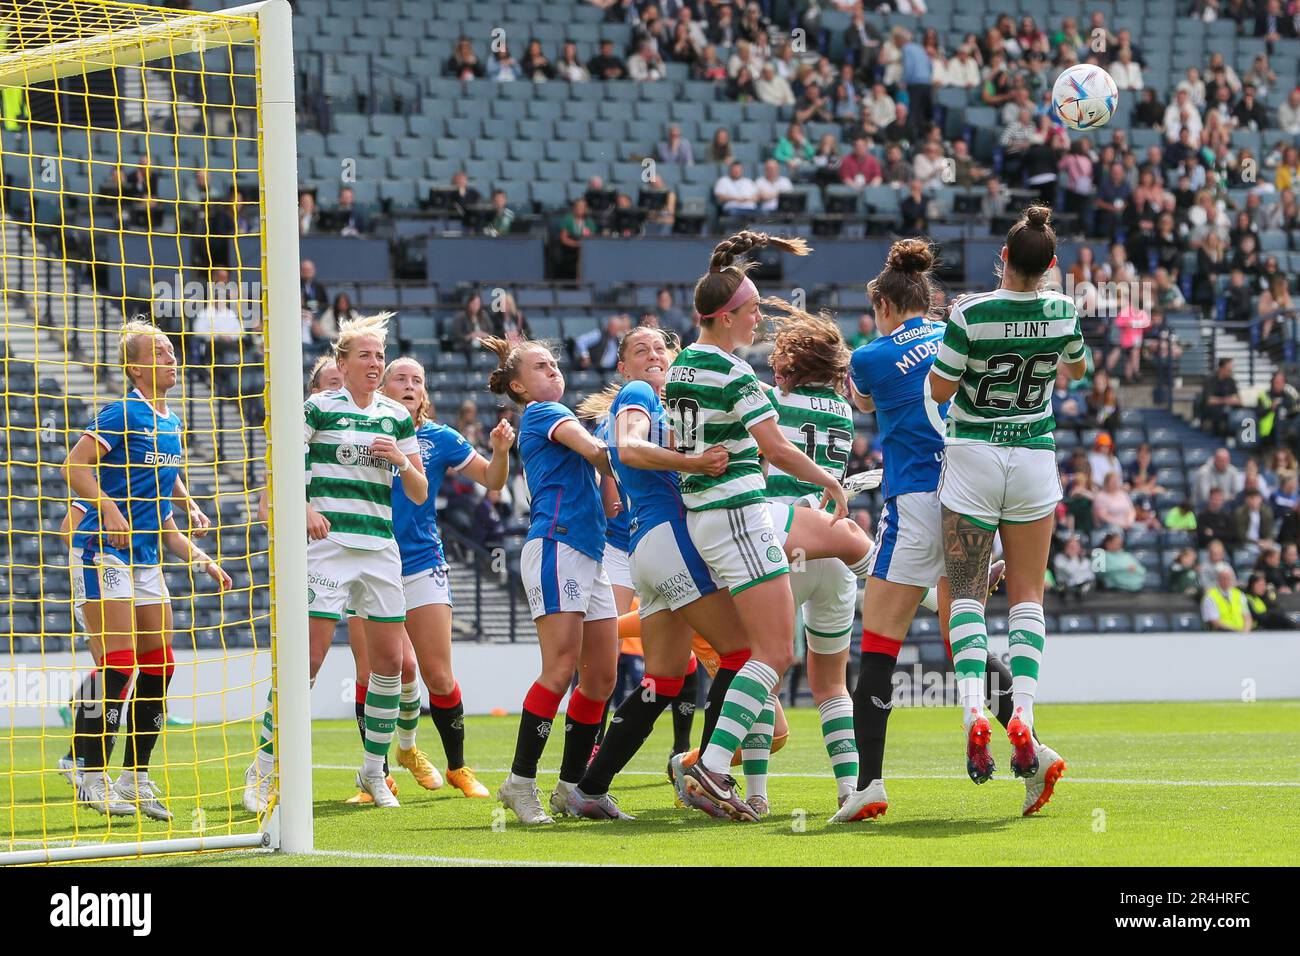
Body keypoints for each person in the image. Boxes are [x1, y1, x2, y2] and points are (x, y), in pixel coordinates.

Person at [835, 239, 1048, 823]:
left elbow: (863, 403)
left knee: (877, 644)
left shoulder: (871, 355)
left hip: (914, 504)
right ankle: (1032, 742)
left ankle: (868, 783)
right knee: (964, 635)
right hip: (973, 494)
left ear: (881, 302)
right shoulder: (959, 333)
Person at [667, 231, 850, 822]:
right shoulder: (734, 373)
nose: (758, 325)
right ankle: (712, 768)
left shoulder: (682, 368)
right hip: (740, 516)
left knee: (759, 652)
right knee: (773, 652)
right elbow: (774, 447)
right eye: (749, 314)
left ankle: (720, 771)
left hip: (705, 517)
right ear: (723, 316)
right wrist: (830, 481)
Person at [928, 205, 1087, 787]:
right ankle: (1023, 710)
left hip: (973, 452)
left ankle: (974, 709)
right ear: (1050, 266)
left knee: (967, 593)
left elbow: (942, 387)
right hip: (1033, 457)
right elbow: (1080, 373)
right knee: (1027, 597)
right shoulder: (1063, 310)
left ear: (1003, 258)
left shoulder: (970, 311)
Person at [250, 313, 429, 813]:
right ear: (342, 363)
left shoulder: (395, 416)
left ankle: (374, 772)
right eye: (365, 356)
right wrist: (303, 506)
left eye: (379, 356)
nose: (375, 364)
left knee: (389, 665)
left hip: (379, 548)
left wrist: (400, 459)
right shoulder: (318, 407)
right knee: (306, 661)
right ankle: (264, 769)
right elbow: (280, 461)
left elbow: (418, 491)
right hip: (328, 548)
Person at [62, 320, 229, 818]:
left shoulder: (172, 423)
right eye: (159, 353)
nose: (171, 359)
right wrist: (108, 509)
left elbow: (163, 507)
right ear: (135, 367)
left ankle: (135, 777)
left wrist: (201, 558)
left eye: (172, 351)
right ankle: (89, 774)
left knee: (160, 664)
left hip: (147, 558)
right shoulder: (121, 413)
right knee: (116, 664)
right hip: (103, 551)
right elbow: (74, 466)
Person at [344, 357, 516, 801]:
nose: (409, 384)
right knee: (380, 671)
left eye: (417, 380)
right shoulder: (358, 430)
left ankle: (457, 766)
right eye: (399, 378)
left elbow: (493, 481)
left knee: (437, 675)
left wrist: (499, 451)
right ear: (381, 387)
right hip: (367, 561)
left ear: (424, 395)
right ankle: (377, 774)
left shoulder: (440, 438)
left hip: (422, 562)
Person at [485, 336, 618, 824]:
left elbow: (602, 480)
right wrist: (634, 451)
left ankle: (571, 789)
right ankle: (519, 785)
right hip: (556, 545)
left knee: (601, 678)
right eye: (541, 366)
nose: (554, 371)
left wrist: (613, 475)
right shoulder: (543, 412)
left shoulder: (557, 413)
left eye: (555, 364)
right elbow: (594, 449)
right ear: (520, 385)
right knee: (560, 669)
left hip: (588, 551)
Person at [1201, 564, 1252, 632]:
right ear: (1218, 579)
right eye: (1223, 578)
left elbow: (1247, 617)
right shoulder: (1210, 596)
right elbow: (1214, 621)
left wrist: (1245, 632)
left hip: (1241, 633)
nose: (1226, 580)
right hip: (1222, 634)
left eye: (1229, 578)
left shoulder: (1239, 594)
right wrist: (1235, 631)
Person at [1052, 535, 1094, 601]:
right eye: (1070, 547)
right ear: (1065, 548)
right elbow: (1069, 574)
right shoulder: (1059, 558)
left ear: (1079, 548)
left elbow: (1090, 577)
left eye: (1075, 547)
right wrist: (1073, 558)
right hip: (1064, 588)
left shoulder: (1085, 561)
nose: (1073, 549)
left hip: (1082, 590)